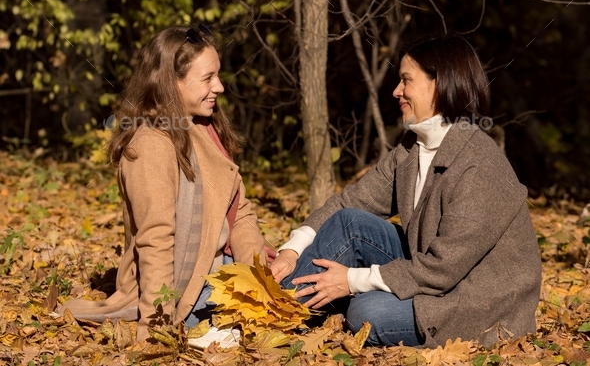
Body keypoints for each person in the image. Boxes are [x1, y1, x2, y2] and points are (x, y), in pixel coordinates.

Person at [270, 34, 542, 348]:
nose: (396, 91)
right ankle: (263, 312)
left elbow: (442, 269)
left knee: (366, 310)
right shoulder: (412, 147)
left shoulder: (479, 164)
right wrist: (292, 250)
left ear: (439, 85)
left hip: (476, 301)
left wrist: (352, 281)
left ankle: (277, 312)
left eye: (406, 81)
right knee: (349, 222)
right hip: (431, 272)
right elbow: (354, 201)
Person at [59, 24, 272, 342]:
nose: (220, 87)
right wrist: (157, 330)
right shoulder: (151, 144)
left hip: (224, 272)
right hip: (189, 291)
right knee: (341, 242)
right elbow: (155, 240)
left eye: (218, 75)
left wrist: (259, 278)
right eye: (208, 78)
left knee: (331, 246)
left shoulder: (202, 127)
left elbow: (239, 211)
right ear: (172, 83)